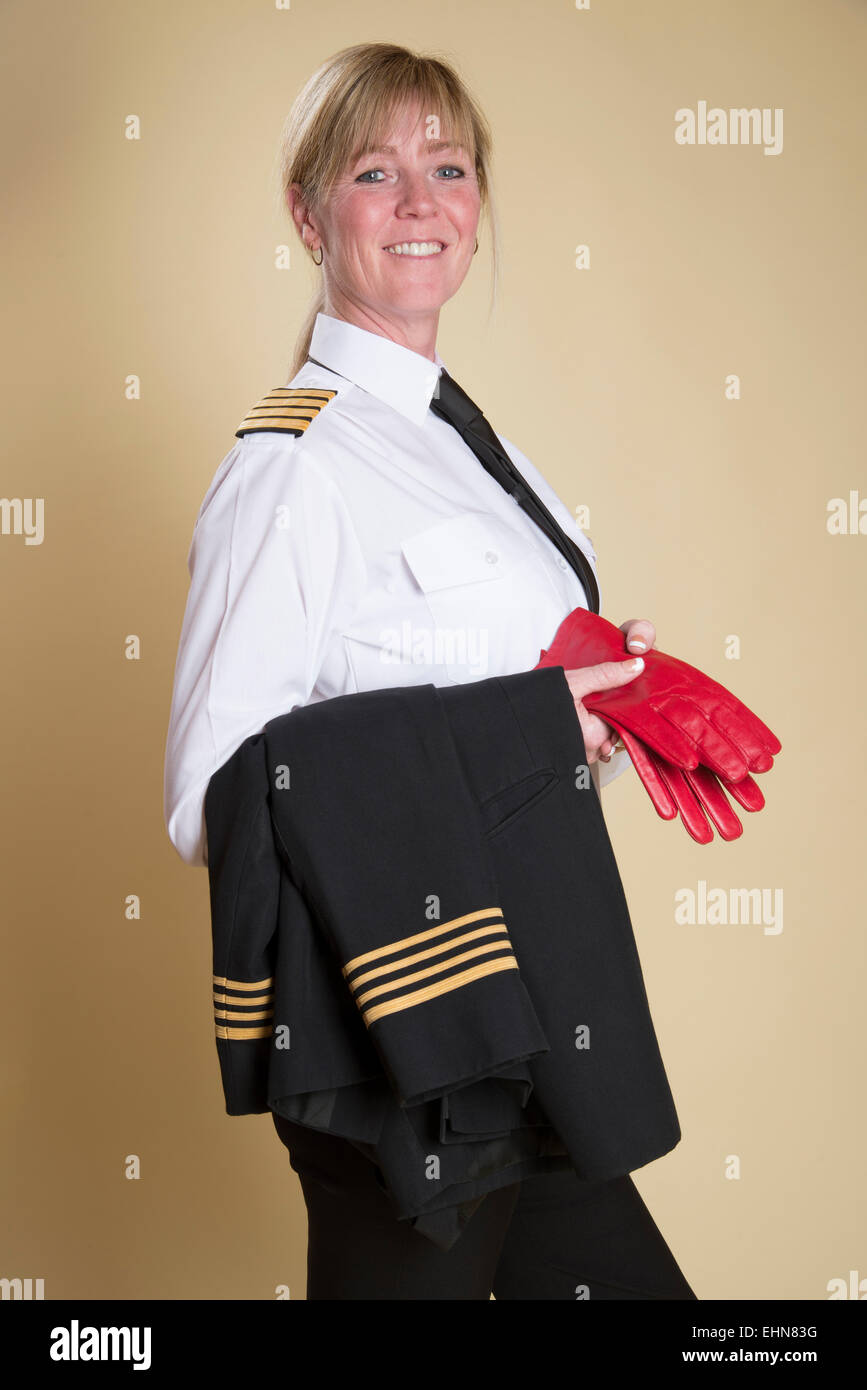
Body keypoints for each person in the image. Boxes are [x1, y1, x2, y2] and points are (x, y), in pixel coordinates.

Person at [164, 41, 696, 1300]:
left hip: (528, 1004)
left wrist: (592, 721)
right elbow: (213, 796)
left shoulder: (464, 441)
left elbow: (491, 737)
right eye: (374, 171)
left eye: (448, 167)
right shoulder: (291, 466)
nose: (420, 201)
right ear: (307, 212)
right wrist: (525, 726)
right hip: (397, 1049)